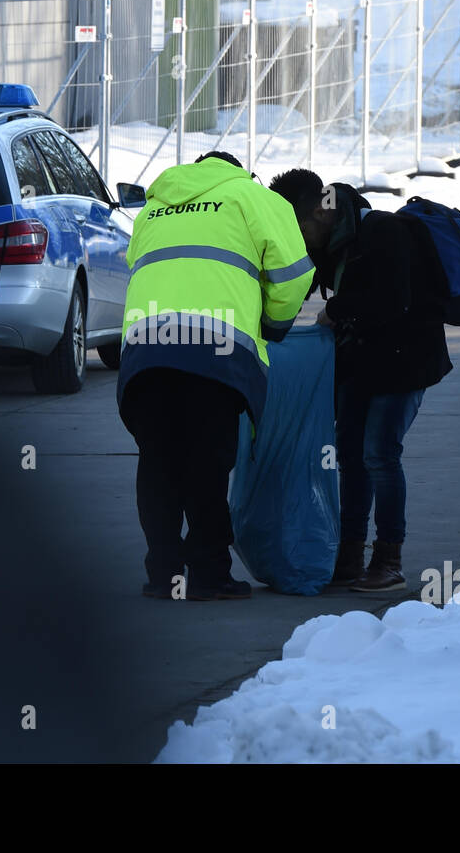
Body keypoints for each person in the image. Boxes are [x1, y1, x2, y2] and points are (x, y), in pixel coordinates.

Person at [118, 151, 314, 601]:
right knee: (207, 464)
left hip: (146, 348)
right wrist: (274, 324)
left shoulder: (154, 206)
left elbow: (145, 265)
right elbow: (293, 274)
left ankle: (164, 575)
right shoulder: (252, 195)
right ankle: (209, 573)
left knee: (157, 462)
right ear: (238, 170)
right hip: (215, 349)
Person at [268, 169, 452, 592]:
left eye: (301, 226)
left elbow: (393, 300)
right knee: (350, 455)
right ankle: (349, 553)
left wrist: (337, 311)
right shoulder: (330, 246)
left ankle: (388, 557)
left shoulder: (384, 231)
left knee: (380, 454)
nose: (300, 237)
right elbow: (293, 289)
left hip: (406, 360)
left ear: (321, 210)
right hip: (359, 363)